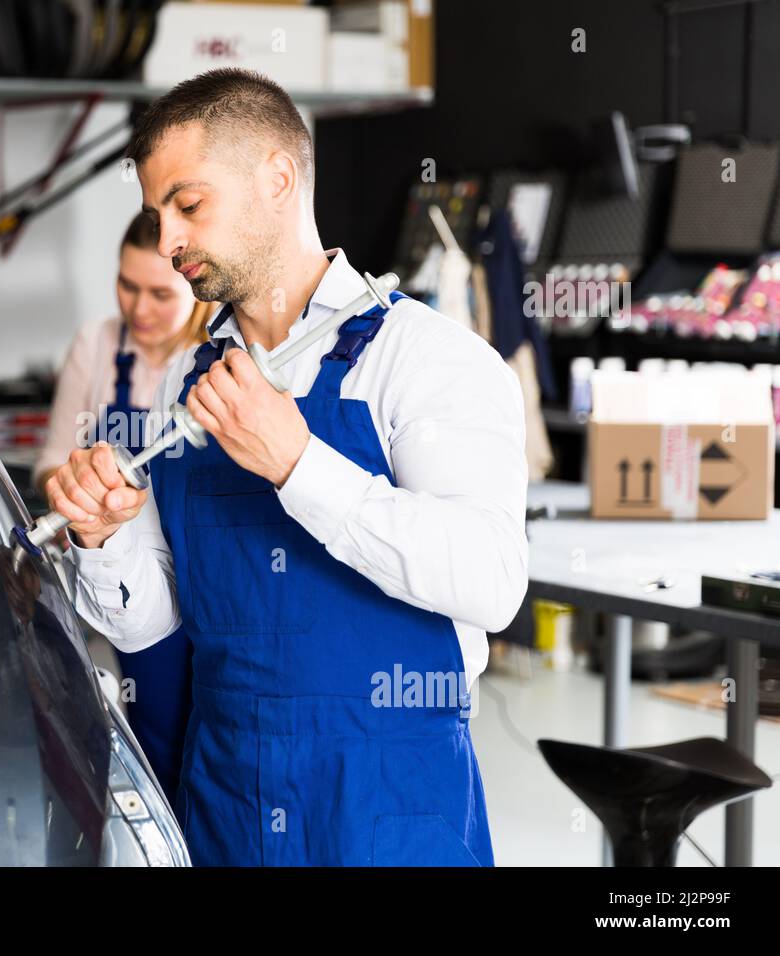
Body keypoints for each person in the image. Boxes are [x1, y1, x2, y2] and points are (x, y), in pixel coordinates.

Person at [46, 68, 529, 866]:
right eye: (156, 215)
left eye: (188, 207)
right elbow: (158, 621)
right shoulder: (186, 383)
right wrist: (107, 540)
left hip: (387, 805)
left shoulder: (429, 361)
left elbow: (491, 582)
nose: (167, 245)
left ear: (278, 177)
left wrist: (299, 463)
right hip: (227, 798)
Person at [34, 211, 210, 811]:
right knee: (152, 740)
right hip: (122, 575)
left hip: (205, 580)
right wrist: (84, 488)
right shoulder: (97, 345)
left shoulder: (214, 360)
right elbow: (52, 462)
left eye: (160, 293)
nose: (140, 307)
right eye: (126, 286)